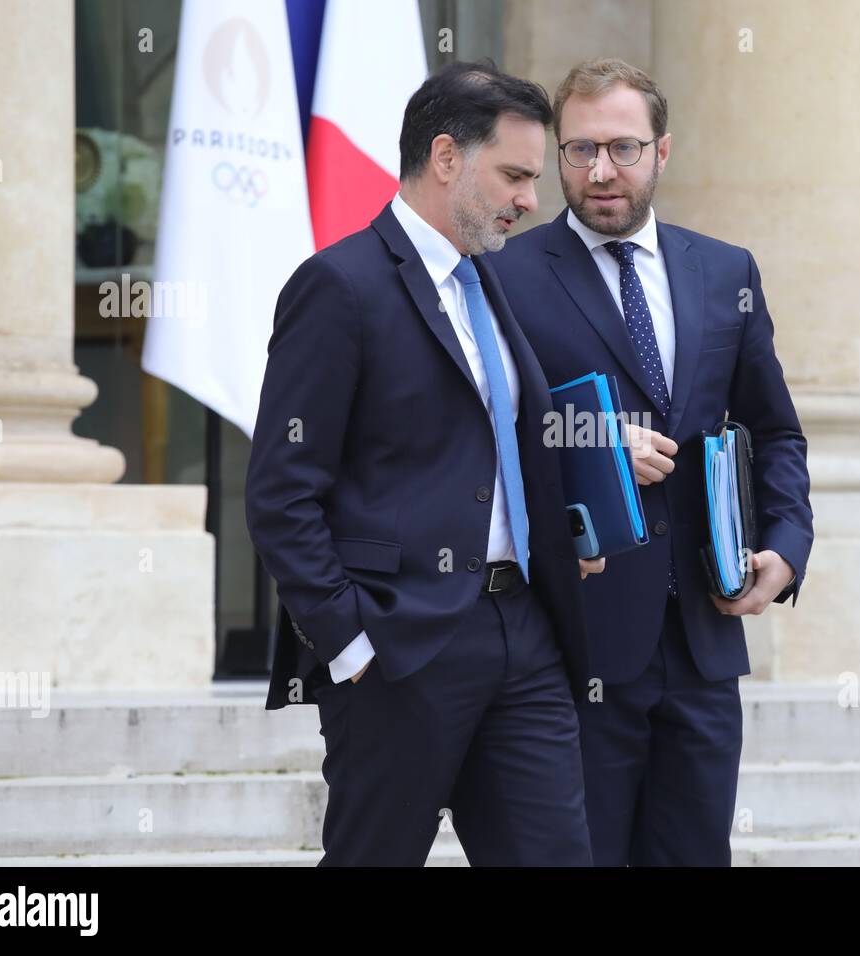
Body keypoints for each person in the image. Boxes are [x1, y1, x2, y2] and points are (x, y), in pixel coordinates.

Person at [245, 61, 603, 866]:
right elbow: (281, 492)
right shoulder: (338, 286)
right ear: (447, 157)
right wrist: (350, 645)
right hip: (399, 646)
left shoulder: (491, 284)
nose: (529, 200)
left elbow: (497, 441)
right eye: (514, 175)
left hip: (524, 635)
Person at [490, 57, 814, 866]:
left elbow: (776, 431)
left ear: (662, 152)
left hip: (705, 637)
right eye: (579, 150)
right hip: (577, 643)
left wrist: (787, 546)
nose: (600, 171)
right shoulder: (503, 276)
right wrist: (590, 447)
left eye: (623, 149)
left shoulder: (726, 272)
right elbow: (484, 440)